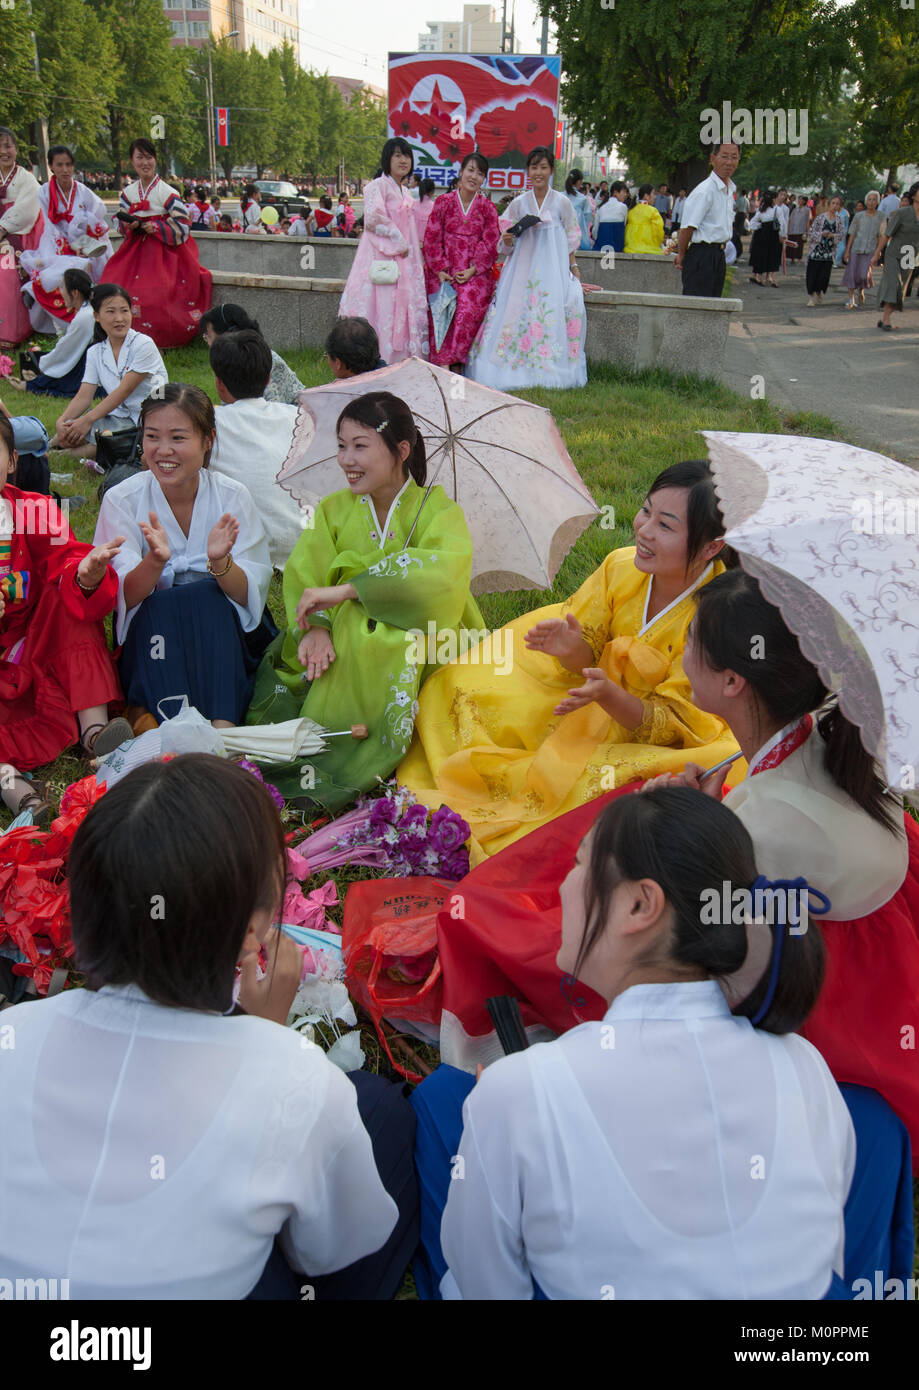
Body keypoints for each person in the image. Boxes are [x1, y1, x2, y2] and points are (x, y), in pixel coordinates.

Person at [411, 787, 863, 1300]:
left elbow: (484, 1289)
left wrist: (507, 1113)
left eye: (579, 864)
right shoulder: (803, 1066)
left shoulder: (520, 1092)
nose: (563, 886)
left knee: (442, 1102)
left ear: (640, 904)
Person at [0, 754, 419, 1299]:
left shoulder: (15, 1035)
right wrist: (263, 1042)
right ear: (252, 932)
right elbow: (335, 1250)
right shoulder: (297, 1081)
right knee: (382, 1111)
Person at [645, 567, 919, 1161]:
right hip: (879, 902)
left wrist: (685, 826)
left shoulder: (757, 824)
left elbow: (695, 940)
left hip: (848, 989)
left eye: (691, 641)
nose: (681, 652)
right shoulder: (826, 724)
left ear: (732, 680)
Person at [397, 460, 739, 861]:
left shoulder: (715, 616)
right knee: (463, 687)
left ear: (710, 547)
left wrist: (609, 695)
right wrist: (572, 648)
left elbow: (677, 726)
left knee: (590, 785)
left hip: (646, 727)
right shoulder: (621, 566)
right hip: (588, 690)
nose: (644, 531)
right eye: (645, 511)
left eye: (666, 526)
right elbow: (587, 655)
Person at [245, 391, 483, 811]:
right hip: (343, 640)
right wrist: (315, 628)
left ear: (401, 451)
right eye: (341, 446)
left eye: (360, 446)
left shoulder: (438, 510)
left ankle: (380, 745)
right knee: (353, 629)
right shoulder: (335, 510)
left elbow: (442, 578)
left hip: (424, 636)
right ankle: (343, 743)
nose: (346, 459)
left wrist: (351, 590)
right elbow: (307, 573)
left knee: (371, 631)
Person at [93, 384, 273, 728]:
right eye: (152, 437)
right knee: (161, 602)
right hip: (154, 631)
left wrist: (220, 565)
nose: (164, 451)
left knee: (207, 595)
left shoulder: (232, 497)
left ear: (208, 440)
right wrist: (154, 562)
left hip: (220, 632)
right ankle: (161, 718)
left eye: (178, 438)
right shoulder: (122, 500)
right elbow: (122, 594)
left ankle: (223, 725)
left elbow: (251, 593)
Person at [0, 413, 129, 822]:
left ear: (11, 462)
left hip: (33, 646)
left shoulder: (33, 511)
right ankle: (20, 796)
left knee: (69, 592)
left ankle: (95, 731)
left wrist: (86, 575)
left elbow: (67, 557)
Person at [465, 146, 586, 392]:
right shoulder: (519, 204)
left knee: (549, 312)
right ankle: (509, 367)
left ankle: (548, 366)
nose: (538, 172)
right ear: (527, 171)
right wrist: (507, 239)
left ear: (551, 170)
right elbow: (505, 242)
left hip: (552, 271)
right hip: (520, 271)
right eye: (534, 167)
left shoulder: (561, 203)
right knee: (514, 312)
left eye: (543, 167)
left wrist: (573, 267)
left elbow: (571, 238)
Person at [103, 138, 212, 349]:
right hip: (135, 252)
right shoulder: (128, 193)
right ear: (132, 161)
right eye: (140, 158)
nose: (145, 163)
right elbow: (120, 223)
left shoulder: (167, 192)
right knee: (113, 282)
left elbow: (182, 226)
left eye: (149, 157)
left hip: (165, 252)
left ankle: (162, 340)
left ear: (155, 160)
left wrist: (158, 228)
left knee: (157, 291)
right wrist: (131, 226)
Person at [209, 330, 303, 570]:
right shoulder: (300, 417)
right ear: (269, 379)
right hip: (310, 544)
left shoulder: (211, 423)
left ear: (219, 383)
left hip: (249, 551)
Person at [338, 137, 428, 365]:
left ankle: (401, 359)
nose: (403, 160)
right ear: (387, 159)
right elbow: (373, 219)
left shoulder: (407, 193)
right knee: (382, 306)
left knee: (400, 303)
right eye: (397, 155)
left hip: (404, 260)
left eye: (406, 155)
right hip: (381, 258)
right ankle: (377, 357)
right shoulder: (376, 186)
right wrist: (399, 242)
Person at [53, 282, 166, 459]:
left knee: (107, 444)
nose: (119, 318)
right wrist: (63, 421)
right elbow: (84, 396)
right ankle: (49, 445)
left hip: (149, 419)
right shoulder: (95, 352)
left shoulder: (143, 344)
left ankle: (58, 457)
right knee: (70, 432)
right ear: (97, 316)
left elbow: (124, 390)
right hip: (118, 417)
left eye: (124, 310)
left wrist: (87, 420)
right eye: (111, 311)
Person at [19, 144, 113, 333]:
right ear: (51, 166)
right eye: (59, 165)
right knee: (50, 273)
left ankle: (96, 318)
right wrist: (69, 243)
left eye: (69, 164)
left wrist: (83, 234)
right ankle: (55, 319)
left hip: (85, 241)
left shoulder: (84, 191)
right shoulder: (44, 192)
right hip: (56, 241)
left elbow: (98, 216)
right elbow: (48, 224)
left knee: (97, 265)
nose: (65, 170)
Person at [422, 152, 500, 371]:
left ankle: (461, 363)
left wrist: (473, 270)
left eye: (480, 173)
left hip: (473, 273)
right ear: (461, 172)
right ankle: (443, 364)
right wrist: (440, 269)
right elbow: (432, 237)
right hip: (444, 272)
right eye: (471, 170)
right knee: (443, 304)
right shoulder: (443, 202)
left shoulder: (487, 208)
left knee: (467, 305)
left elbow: (491, 242)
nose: (474, 176)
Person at [7, 267, 95, 397]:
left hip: (90, 369)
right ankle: (32, 383)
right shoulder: (87, 311)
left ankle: (30, 385)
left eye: (63, 287)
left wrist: (42, 365)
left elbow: (66, 350)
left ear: (75, 293)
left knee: (59, 381)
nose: (61, 292)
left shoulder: (85, 317)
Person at [200, 303, 305, 404]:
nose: (208, 343)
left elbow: (271, 411)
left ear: (227, 335)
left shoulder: (265, 360)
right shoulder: (228, 361)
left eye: (208, 336)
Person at [674, 141, 740, 297]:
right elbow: (687, 228)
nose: (729, 162)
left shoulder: (729, 190)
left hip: (718, 255)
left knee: (714, 306)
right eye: (724, 156)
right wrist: (682, 254)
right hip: (702, 256)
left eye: (734, 157)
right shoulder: (705, 191)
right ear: (712, 158)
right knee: (697, 307)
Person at [0, 127, 42, 348]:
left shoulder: (26, 179)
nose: (3, 151)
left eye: (7, 146)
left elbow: (27, 209)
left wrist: (3, 228)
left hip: (16, 236)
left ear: (15, 148)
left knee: (6, 272)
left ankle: (10, 331)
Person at [871, 180, 919, 331]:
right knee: (892, 284)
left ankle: (885, 316)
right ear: (914, 194)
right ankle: (886, 319)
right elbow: (887, 235)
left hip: (910, 255)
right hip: (894, 253)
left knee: (901, 289)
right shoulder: (902, 213)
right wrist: (877, 253)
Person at [841, 191, 884, 309]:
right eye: (869, 199)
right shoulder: (859, 216)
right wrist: (847, 250)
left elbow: (881, 235)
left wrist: (878, 251)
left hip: (870, 249)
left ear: (878, 202)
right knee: (851, 273)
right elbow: (852, 234)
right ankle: (851, 298)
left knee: (864, 275)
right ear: (866, 201)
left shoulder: (881, 216)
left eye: (874, 199)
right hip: (856, 248)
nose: (871, 202)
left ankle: (861, 290)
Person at [805, 195, 845, 307]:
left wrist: (833, 235)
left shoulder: (839, 220)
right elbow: (811, 233)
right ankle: (811, 297)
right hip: (816, 251)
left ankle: (819, 291)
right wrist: (820, 234)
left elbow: (841, 235)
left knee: (824, 276)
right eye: (833, 203)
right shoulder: (820, 218)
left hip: (829, 252)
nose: (835, 206)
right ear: (829, 204)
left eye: (837, 204)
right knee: (812, 274)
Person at [747, 192, 783, 287]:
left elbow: (751, 223)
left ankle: (759, 277)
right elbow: (782, 224)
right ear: (773, 200)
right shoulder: (777, 210)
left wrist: (760, 226)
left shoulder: (761, 210)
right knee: (774, 257)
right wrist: (782, 235)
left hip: (763, 235)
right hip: (774, 235)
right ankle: (773, 279)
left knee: (762, 256)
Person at [624, 184, 665, 253]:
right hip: (649, 249)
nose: (654, 197)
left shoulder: (631, 211)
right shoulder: (653, 211)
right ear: (646, 196)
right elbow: (658, 232)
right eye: (653, 194)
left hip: (630, 248)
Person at [591, 180, 628, 251]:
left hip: (601, 247)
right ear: (615, 193)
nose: (625, 194)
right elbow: (624, 225)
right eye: (623, 192)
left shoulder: (601, 208)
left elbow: (595, 232)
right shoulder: (623, 207)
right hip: (617, 247)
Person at [564, 169, 592, 251]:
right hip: (578, 240)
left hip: (562, 238)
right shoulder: (583, 199)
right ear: (579, 182)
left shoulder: (560, 196)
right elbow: (587, 218)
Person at [786, 194, 810, 263]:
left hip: (801, 230)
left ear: (804, 201)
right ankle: (792, 258)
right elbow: (790, 219)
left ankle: (799, 259)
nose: (799, 201)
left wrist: (807, 231)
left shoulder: (807, 210)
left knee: (799, 245)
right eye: (799, 199)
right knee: (792, 244)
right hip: (792, 229)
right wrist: (788, 229)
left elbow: (807, 220)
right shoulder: (795, 209)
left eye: (801, 199)